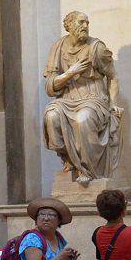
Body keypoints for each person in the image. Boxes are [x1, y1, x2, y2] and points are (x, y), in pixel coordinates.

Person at [42, 11, 124, 185]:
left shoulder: (96, 47)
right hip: (67, 99)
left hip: (94, 99)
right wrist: (71, 72)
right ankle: (70, 159)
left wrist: (113, 104)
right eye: (81, 22)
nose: (86, 26)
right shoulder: (58, 47)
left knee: (82, 119)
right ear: (69, 25)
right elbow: (50, 87)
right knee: (51, 116)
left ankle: (88, 169)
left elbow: (113, 77)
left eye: (87, 23)